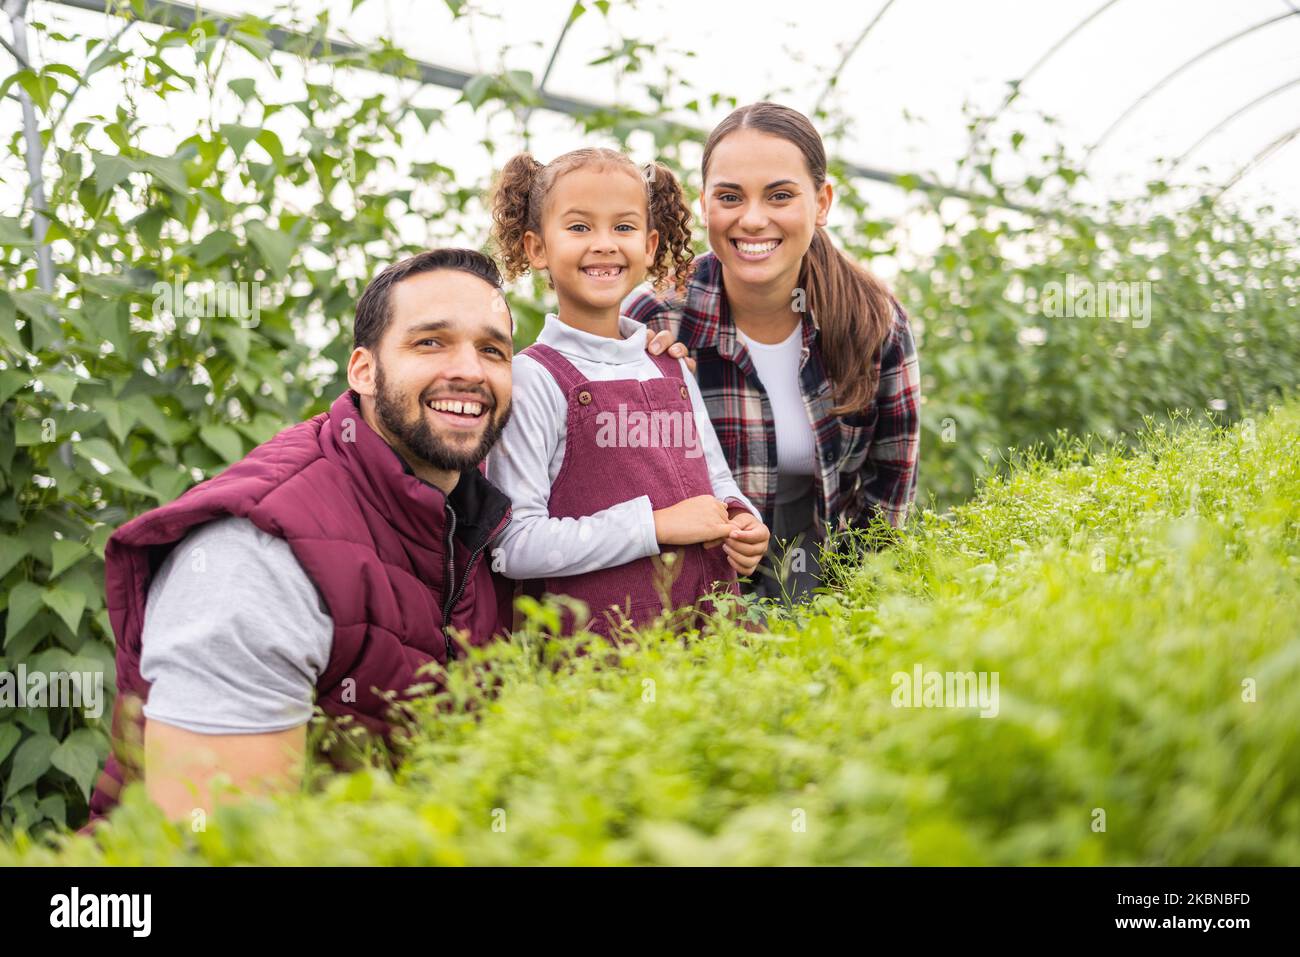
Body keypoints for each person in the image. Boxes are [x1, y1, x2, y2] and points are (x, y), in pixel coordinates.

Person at [631, 102, 921, 603]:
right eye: (730, 196)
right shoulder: (657, 318)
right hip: (686, 584)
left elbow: (886, 500)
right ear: (705, 206)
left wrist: (846, 613)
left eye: (780, 195)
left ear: (822, 202)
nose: (753, 219)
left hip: (820, 567)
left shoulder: (873, 323)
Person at [485, 147, 770, 637]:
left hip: (711, 649)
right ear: (537, 248)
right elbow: (514, 544)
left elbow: (716, 482)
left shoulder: (671, 365)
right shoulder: (535, 378)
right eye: (578, 228)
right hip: (600, 667)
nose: (604, 244)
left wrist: (743, 520)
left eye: (623, 227)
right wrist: (655, 526)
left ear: (650, 244)